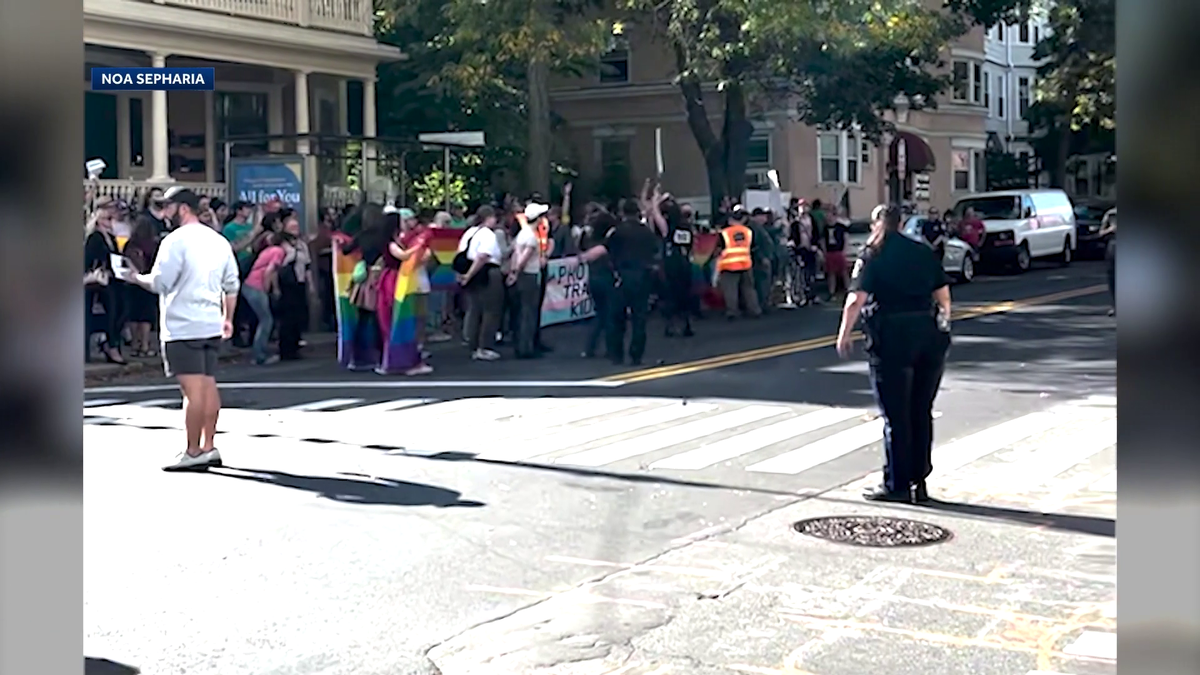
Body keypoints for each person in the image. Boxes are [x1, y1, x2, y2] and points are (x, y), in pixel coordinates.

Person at [835, 204, 952, 503]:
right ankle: (920, 481)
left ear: (877, 223)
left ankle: (897, 483)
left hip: (892, 339)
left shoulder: (873, 254)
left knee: (896, 416)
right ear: (901, 223)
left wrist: (844, 334)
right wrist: (942, 326)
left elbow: (855, 300)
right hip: (927, 335)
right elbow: (943, 295)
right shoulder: (922, 251)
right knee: (920, 410)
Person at [120, 188, 240, 472]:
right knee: (208, 384)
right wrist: (228, 317)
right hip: (211, 320)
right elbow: (232, 283)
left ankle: (192, 449)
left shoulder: (175, 241)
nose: (164, 212)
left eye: (167, 206)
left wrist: (136, 278)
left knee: (192, 390)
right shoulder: (218, 240)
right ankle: (209, 445)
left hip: (182, 323)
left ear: (182, 209)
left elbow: (161, 282)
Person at [573, 199, 659, 365]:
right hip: (643, 276)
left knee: (616, 317)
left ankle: (616, 354)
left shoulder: (618, 232)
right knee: (639, 318)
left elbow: (604, 248)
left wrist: (583, 257)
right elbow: (654, 251)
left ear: (622, 213)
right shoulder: (647, 231)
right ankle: (636, 354)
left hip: (622, 276)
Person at [457, 205, 505, 361]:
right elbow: (483, 256)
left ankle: (472, 341)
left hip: (470, 271)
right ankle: (485, 346)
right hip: (487, 272)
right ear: (488, 218)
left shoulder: (469, 233)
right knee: (490, 310)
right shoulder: (488, 234)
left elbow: (461, 254)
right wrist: (471, 274)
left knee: (474, 308)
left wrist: (464, 275)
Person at [510, 203, 547, 359]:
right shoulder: (531, 237)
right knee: (529, 312)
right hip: (529, 275)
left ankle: (521, 345)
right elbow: (524, 258)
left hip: (522, 275)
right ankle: (526, 347)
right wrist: (517, 271)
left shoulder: (522, 234)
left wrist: (513, 272)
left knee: (522, 312)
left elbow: (516, 254)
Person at [712, 208, 762, 320]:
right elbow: (753, 246)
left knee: (730, 289)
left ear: (730, 220)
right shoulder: (748, 231)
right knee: (749, 288)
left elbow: (718, 249)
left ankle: (732, 311)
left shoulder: (725, 233)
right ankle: (754, 309)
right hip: (745, 263)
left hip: (729, 265)